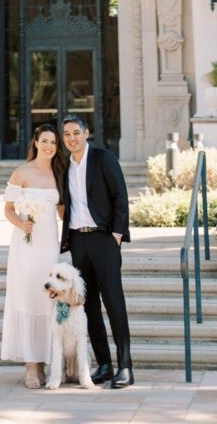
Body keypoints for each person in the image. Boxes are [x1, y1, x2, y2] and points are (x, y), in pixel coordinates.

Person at [59, 112, 133, 389]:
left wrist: (116, 234)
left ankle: (125, 366)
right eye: (66, 134)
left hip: (103, 239)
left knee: (114, 303)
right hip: (78, 241)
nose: (71, 138)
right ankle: (104, 364)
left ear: (86, 133)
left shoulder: (103, 158)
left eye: (75, 132)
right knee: (88, 305)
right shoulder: (63, 166)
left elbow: (120, 196)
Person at [0, 123, 67, 388]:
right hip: (25, 245)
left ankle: (48, 360)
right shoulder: (22, 172)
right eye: (45, 141)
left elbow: (62, 212)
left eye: (54, 142)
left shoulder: (60, 174)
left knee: (46, 299)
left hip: (49, 244)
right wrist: (22, 224)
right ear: (36, 142)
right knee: (28, 295)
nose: (50, 146)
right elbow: (8, 210)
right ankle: (31, 364)